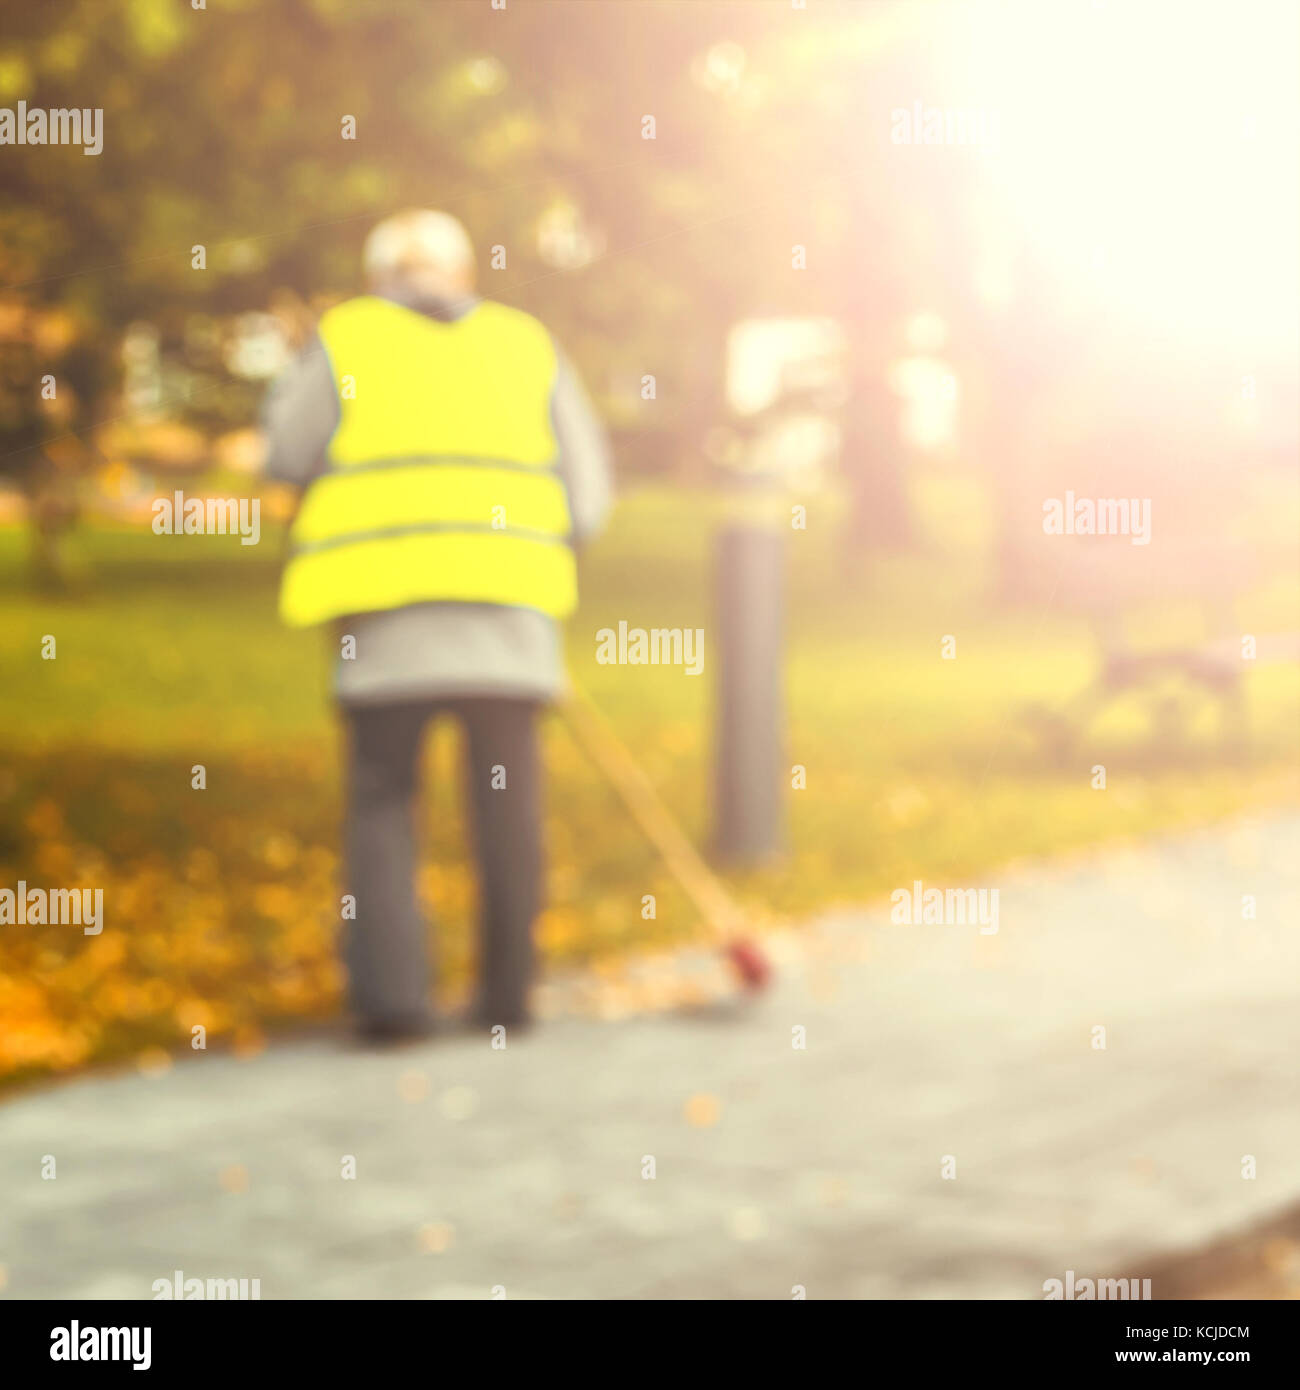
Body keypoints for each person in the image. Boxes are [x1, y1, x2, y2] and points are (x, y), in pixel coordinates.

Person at [262, 209, 612, 1041]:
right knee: (508, 806)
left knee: (382, 802)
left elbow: (284, 454)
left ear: (381, 273)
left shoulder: (347, 339)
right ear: (462, 272)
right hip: (509, 623)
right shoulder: (524, 344)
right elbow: (589, 491)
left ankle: (394, 1006)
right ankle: (507, 999)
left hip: (385, 623)